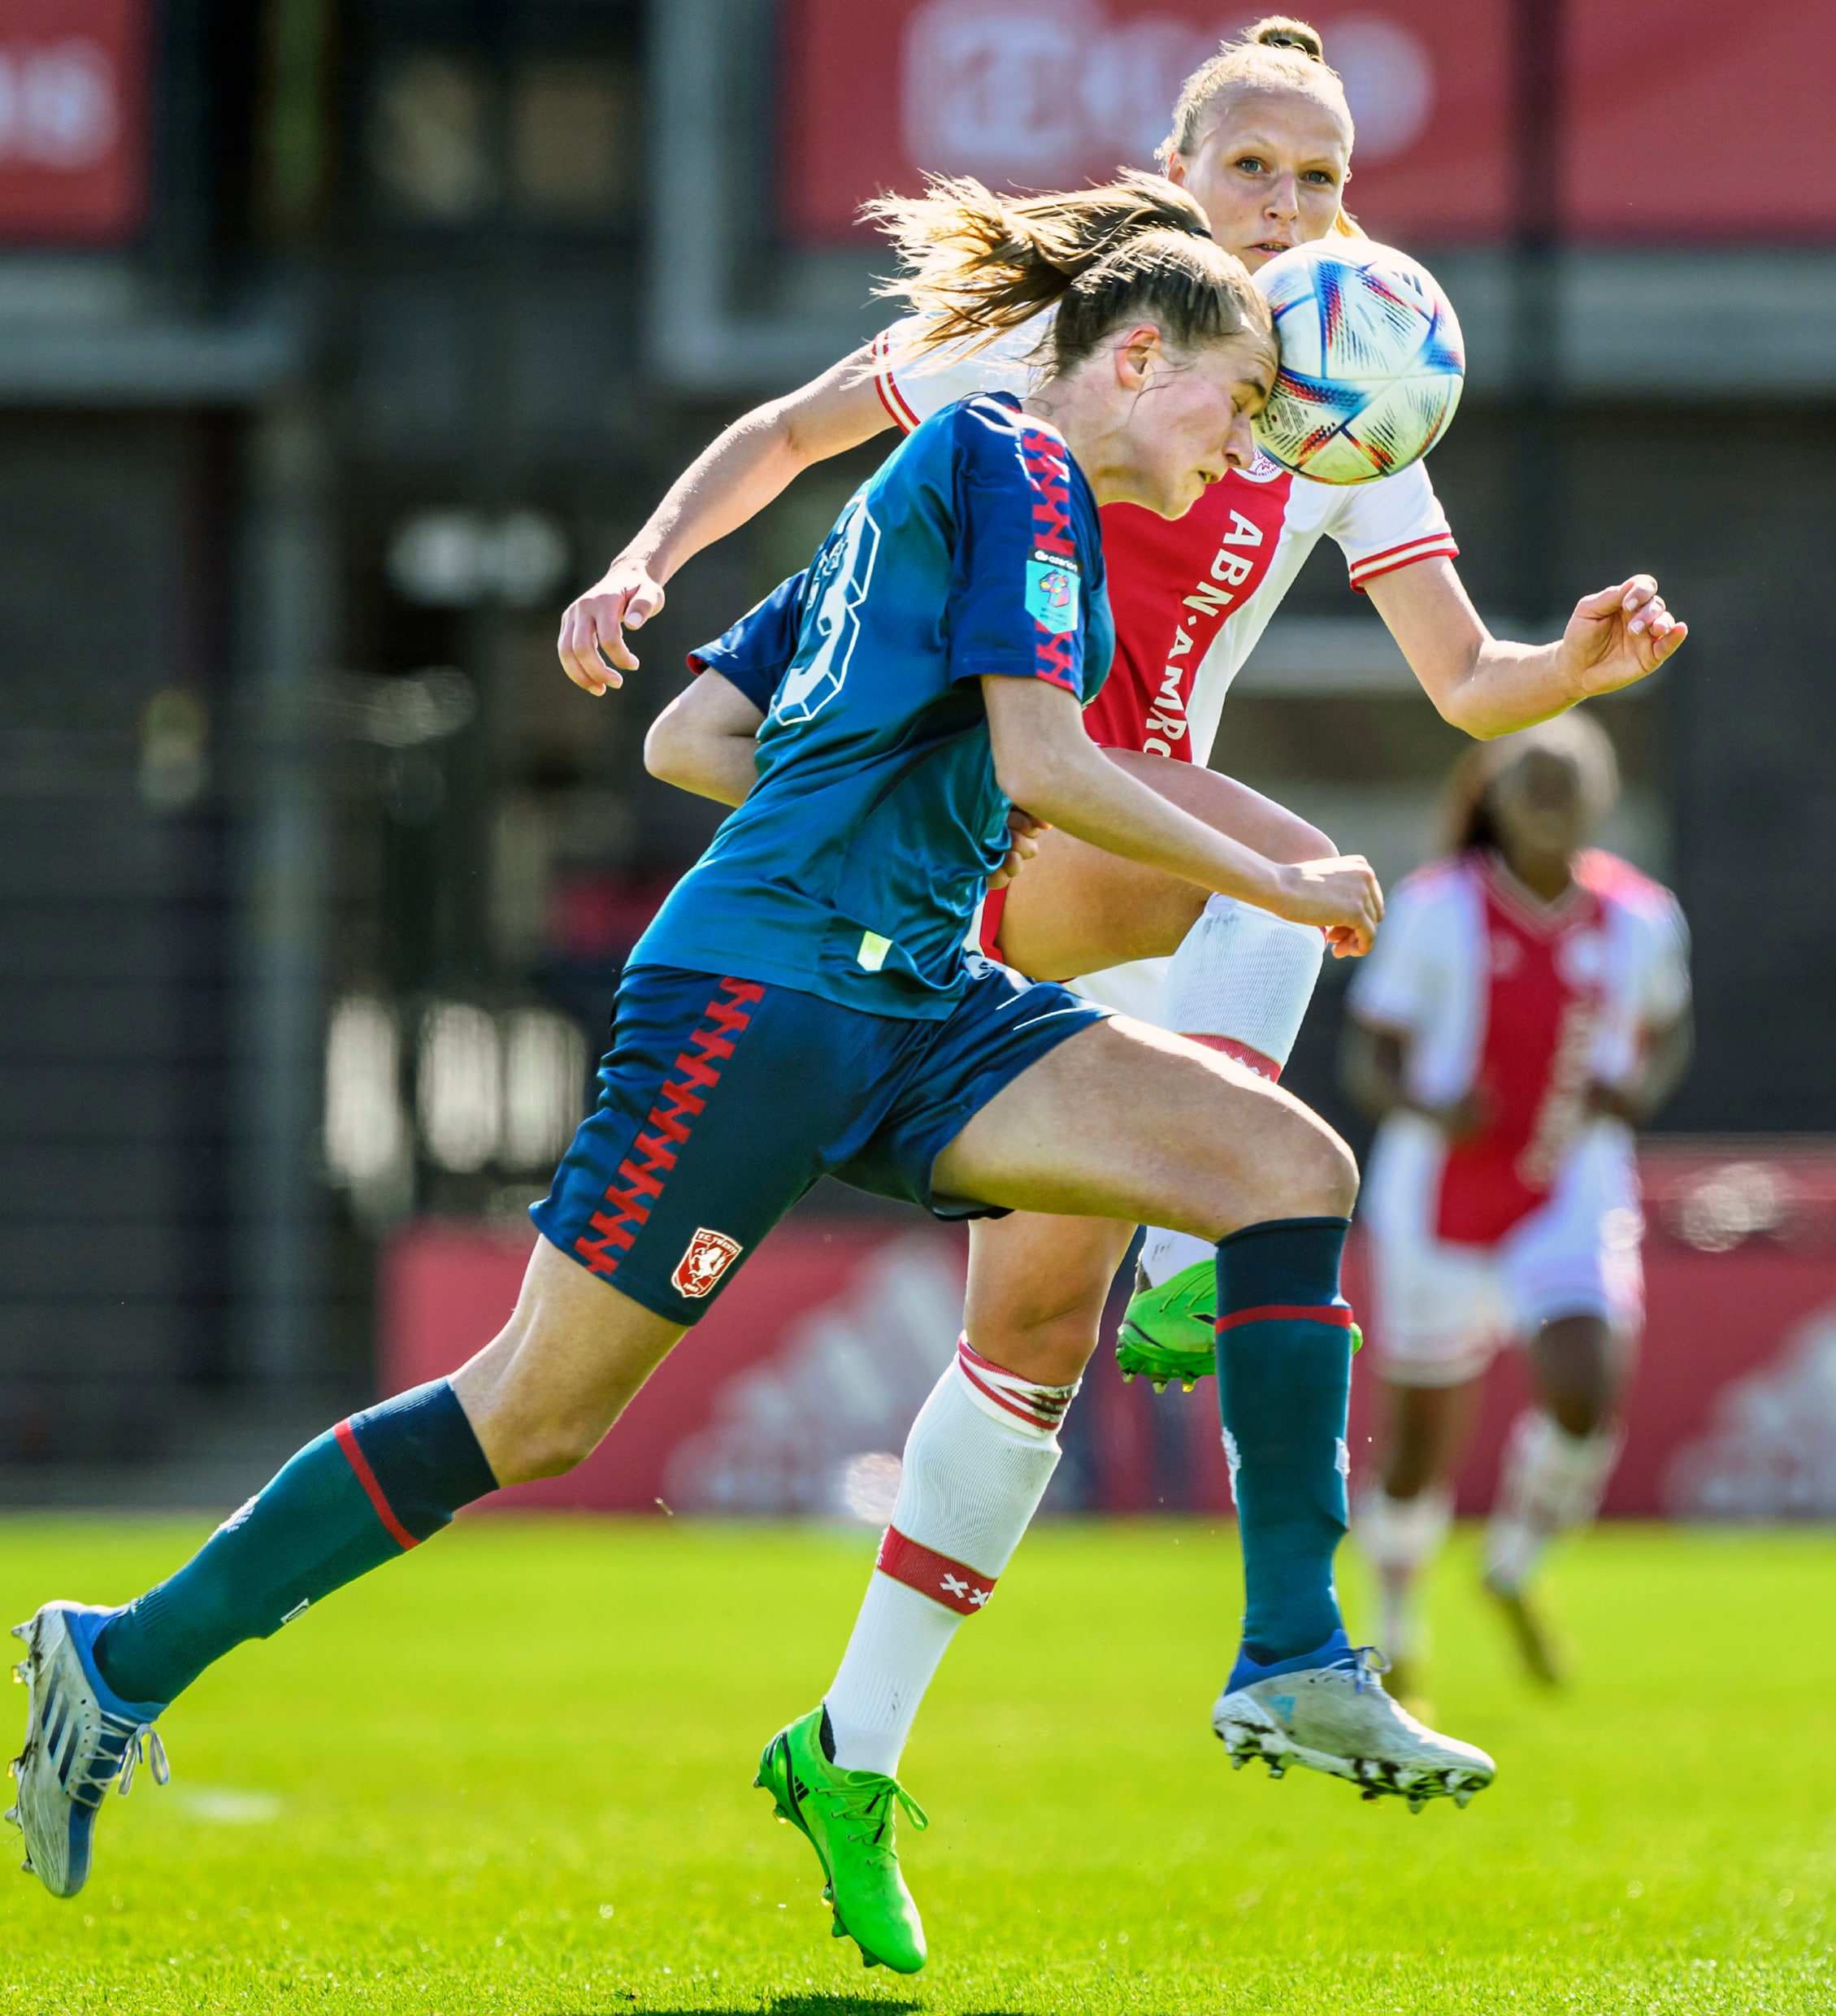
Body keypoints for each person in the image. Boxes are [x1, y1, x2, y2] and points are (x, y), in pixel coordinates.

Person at [9, 224, 1491, 1978]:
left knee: (1279, 1164)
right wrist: (1285, 875)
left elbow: (692, 738)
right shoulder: (1010, 458)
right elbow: (1042, 761)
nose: (1244, 446)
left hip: (913, 991)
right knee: (537, 1415)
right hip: (762, 1000)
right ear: (1138, 362)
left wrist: (883, 796)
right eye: (1237, 402)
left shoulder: (950, 494)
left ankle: (1293, 1652)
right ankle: (114, 1660)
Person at [612, 12, 1685, 1894]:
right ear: (1180, 174)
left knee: (1028, 1339)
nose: (1287, 205)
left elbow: (1465, 684)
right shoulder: (1054, 343)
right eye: (1253, 166)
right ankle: (1223, 1250)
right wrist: (641, 567)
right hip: (1010, 820)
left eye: (1322, 175)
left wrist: (1565, 668)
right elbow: (788, 432)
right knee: (1275, 866)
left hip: (1121, 831)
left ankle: (850, 1751)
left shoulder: (1350, 401)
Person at [1342, 715, 1691, 1698]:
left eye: (1566, 780)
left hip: (1569, 1182)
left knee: (1584, 1385)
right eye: (1528, 779)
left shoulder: (1641, 917)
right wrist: (1429, 1104)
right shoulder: (1434, 906)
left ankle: (1511, 1563)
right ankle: (1395, 1626)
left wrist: (1639, 1087)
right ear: (1493, 795)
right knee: (1416, 1439)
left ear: (1601, 796)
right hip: (1437, 1194)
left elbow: (1667, 1029)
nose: (1546, 797)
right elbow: (1367, 1054)